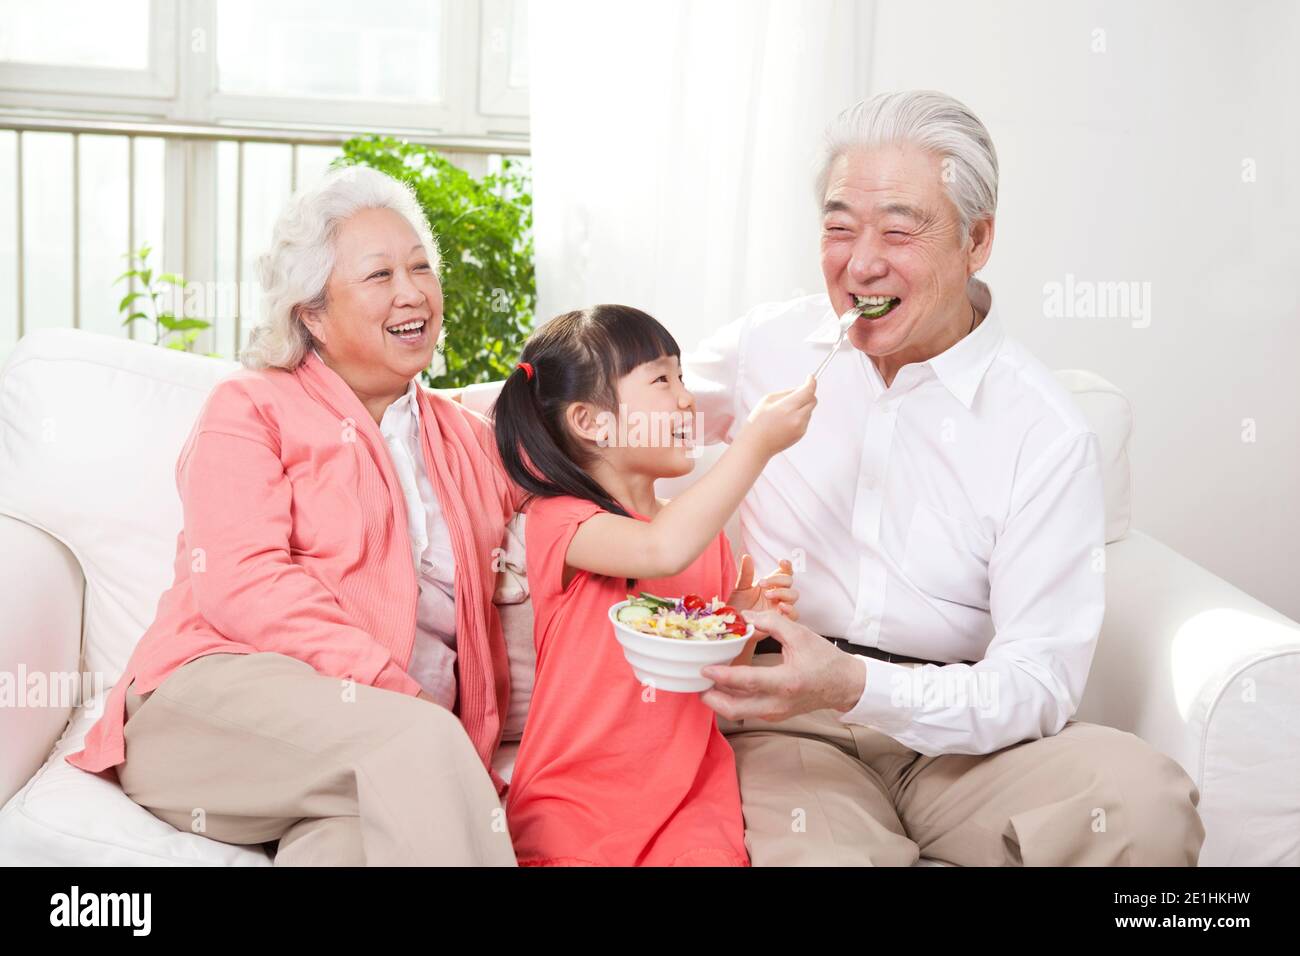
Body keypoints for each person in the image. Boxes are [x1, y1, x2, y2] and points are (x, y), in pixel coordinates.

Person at [683, 90, 1205, 865]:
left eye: (899, 229)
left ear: (977, 239)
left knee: (1142, 803)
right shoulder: (769, 345)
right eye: (838, 228)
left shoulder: (1044, 429)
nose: (861, 262)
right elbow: (615, 417)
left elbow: (1037, 682)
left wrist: (858, 684)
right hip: (791, 720)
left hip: (964, 738)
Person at [66, 165, 522, 865]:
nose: (413, 292)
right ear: (312, 312)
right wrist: (395, 692)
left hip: (359, 751)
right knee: (420, 744)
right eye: (379, 275)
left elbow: (574, 523)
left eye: (422, 267)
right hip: (210, 710)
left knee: (349, 844)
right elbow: (242, 581)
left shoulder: (467, 439)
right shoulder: (251, 407)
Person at [491, 304, 814, 865]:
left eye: (683, 376)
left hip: (691, 802)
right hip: (574, 803)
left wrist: (742, 616)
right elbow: (658, 551)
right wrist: (755, 444)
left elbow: (710, 675)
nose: (687, 398)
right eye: (662, 379)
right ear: (591, 422)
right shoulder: (563, 522)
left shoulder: (701, 537)